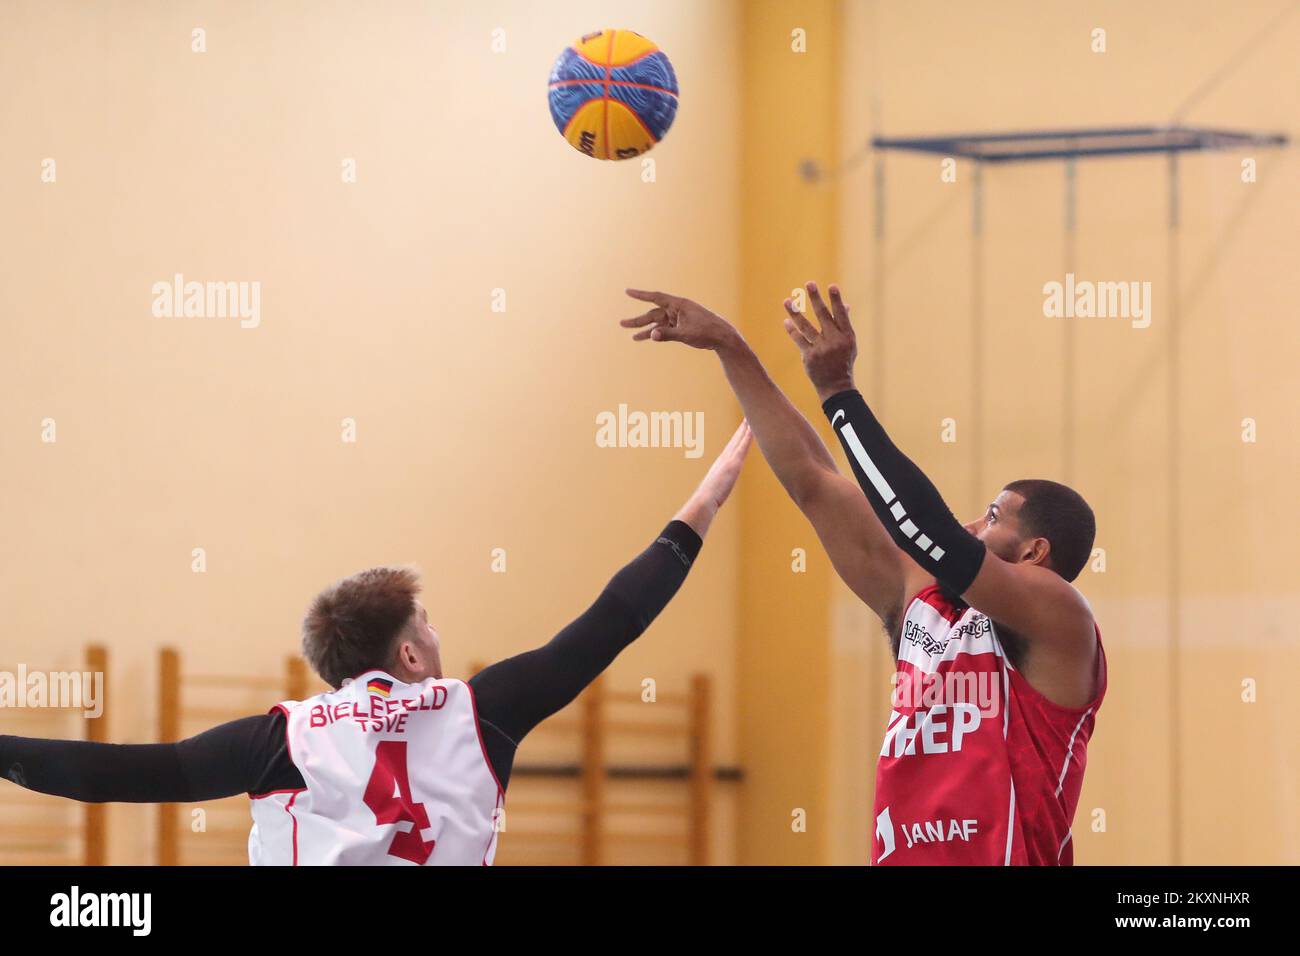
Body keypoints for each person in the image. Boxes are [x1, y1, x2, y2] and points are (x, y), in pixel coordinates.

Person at [0, 423, 753, 866]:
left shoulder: (283, 739)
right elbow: (613, 619)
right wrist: (709, 495)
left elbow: (127, 773)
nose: (436, 631)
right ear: (410, 657)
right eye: (426, 623)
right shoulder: (480, 714)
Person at [622, 283, 1104, 865]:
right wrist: (730, 345)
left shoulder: (1061, 620)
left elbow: (932, 533)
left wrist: (838, 392)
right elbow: (812, 479)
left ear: (1035, 554)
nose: (977, 522)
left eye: (995, 516)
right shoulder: (923, 601)